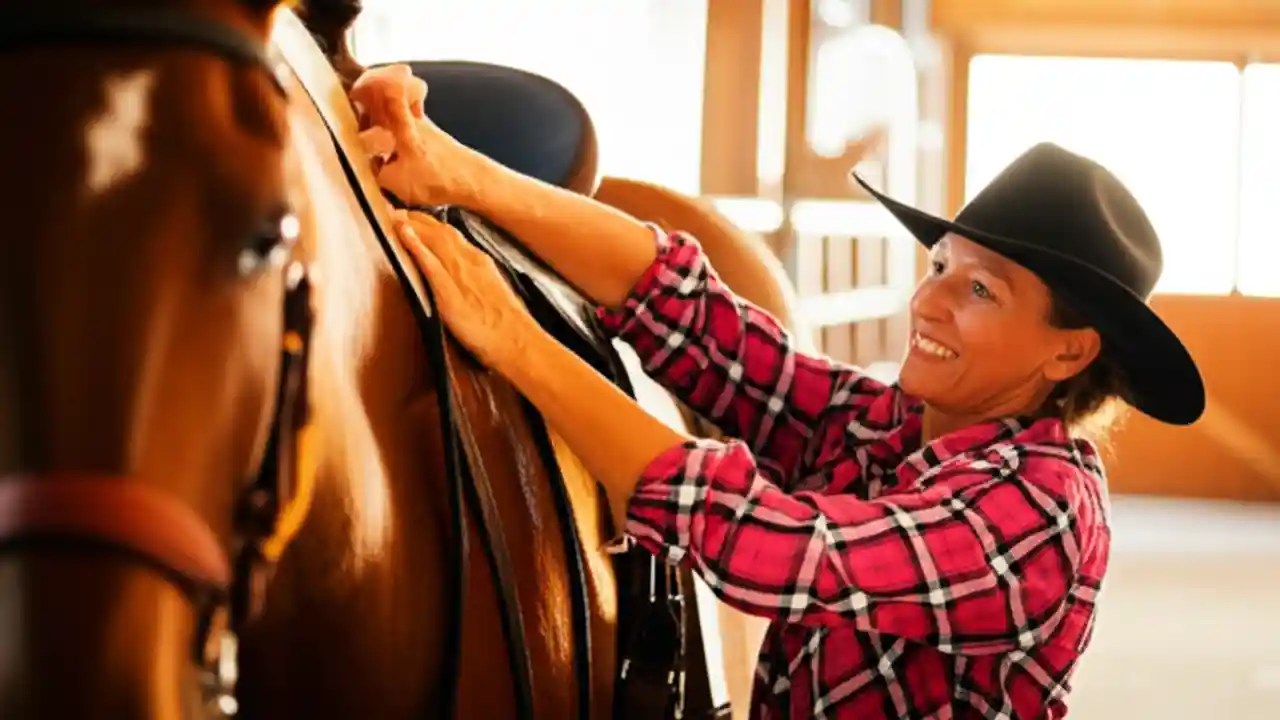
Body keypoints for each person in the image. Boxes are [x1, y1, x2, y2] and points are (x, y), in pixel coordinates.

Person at [352, 67, 1204, 719]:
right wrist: (456, 170)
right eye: (940, 265)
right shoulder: (893, 425)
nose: (928, 301)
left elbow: (775, 549)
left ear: (1071, 351)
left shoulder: (1040, 510)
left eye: (983, 291)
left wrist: (513, 339)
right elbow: (687, 308)